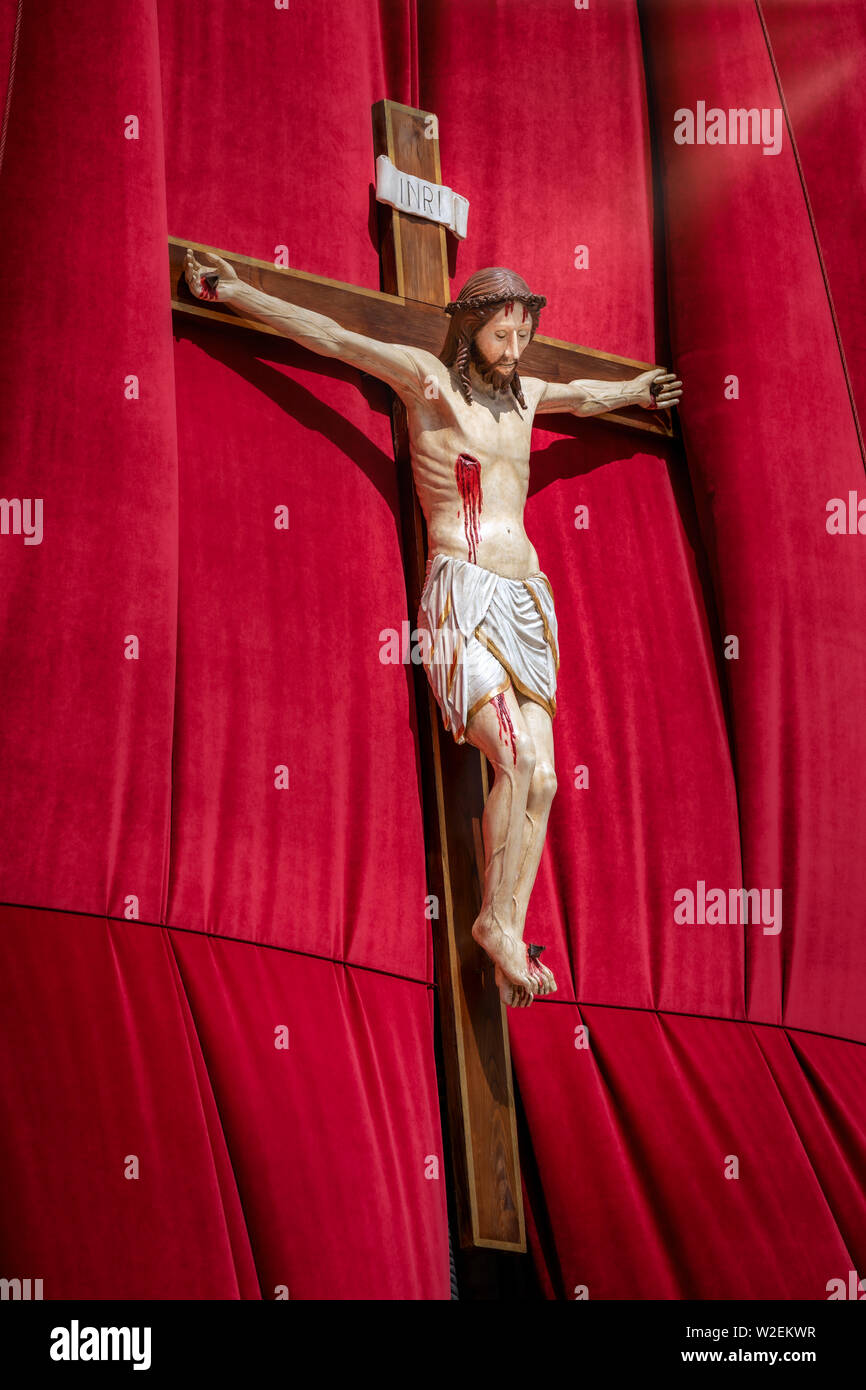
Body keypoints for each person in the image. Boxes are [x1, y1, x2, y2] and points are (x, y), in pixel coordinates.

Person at [184, 250, 683, 1006]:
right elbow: (331, 336)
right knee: (512, 756)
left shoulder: (525, 399)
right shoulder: (428, 382)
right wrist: (239, 292)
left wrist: (638, 391)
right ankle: (499, 929)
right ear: (470, 328)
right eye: (502, 337)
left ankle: (503, 921)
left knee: (543, 778)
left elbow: (583, 398)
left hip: (527, 602)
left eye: (524, 337)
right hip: (460, 594)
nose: (515, 353)